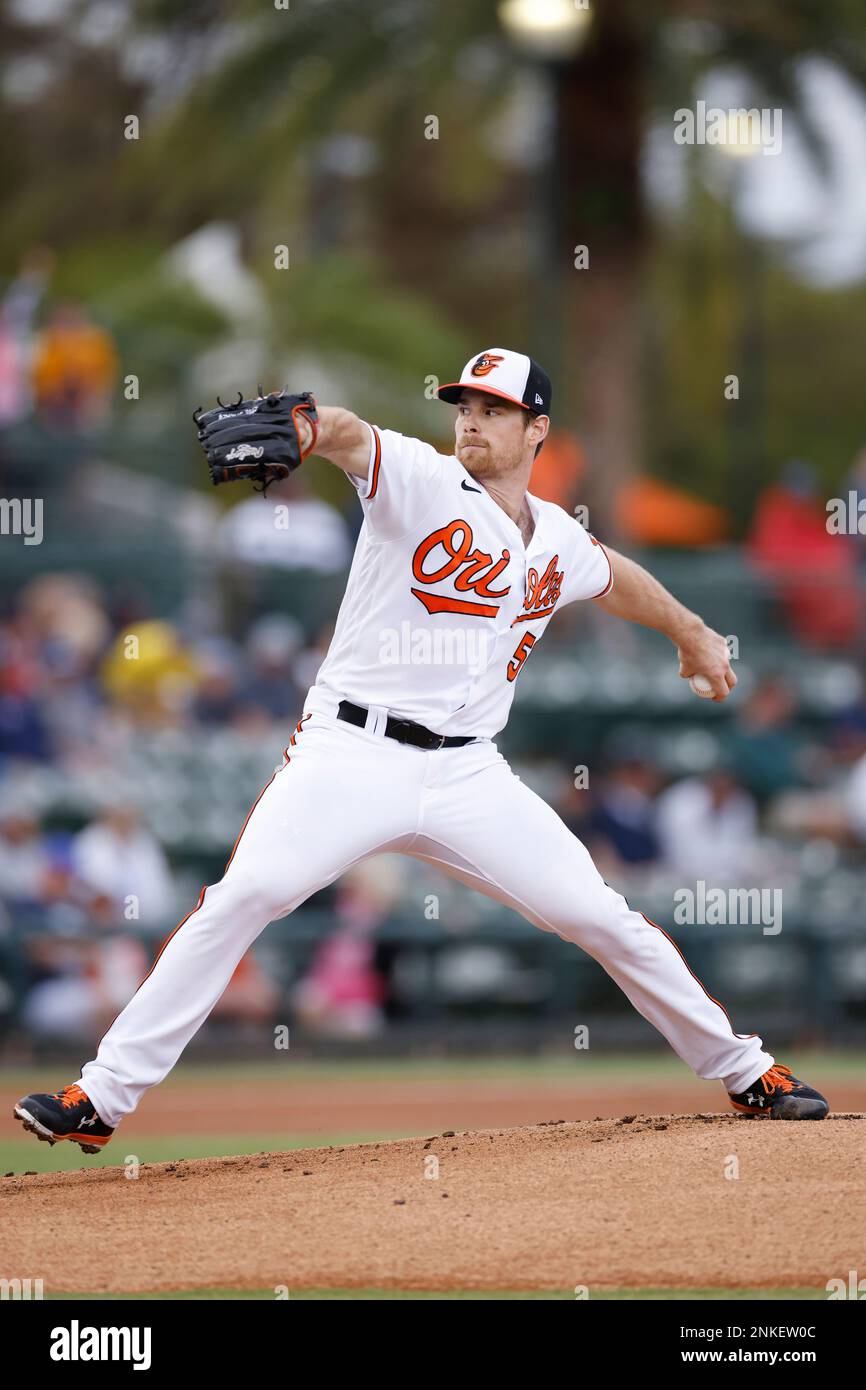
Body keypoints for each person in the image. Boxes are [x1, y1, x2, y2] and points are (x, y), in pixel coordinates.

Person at [14, 347, 828, 1154]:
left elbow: (614, 575)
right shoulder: (423, 479)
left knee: (601, 916)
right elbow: (350, 435)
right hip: (352, 752)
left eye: (494, 410)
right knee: (244, 897)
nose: (471, 421)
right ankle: (101, 1097)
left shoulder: (556, 538)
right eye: (465, 407)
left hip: (469, 770)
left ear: (537, 429)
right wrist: (306, 427)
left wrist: (691, 632)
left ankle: (747, 1072)